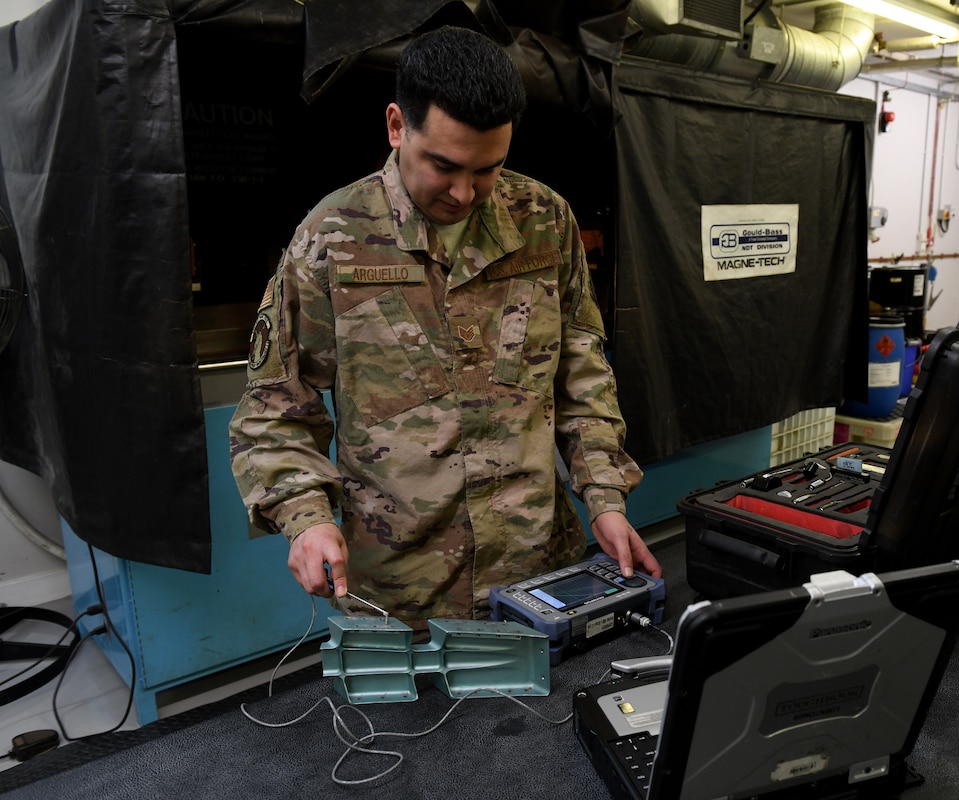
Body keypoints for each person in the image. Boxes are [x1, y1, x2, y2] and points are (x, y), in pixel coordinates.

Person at [228, 25, 660, 625]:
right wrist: (306, 519)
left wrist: (605, 498)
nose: (464, 193)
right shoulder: (333, 239)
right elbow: (274, 412)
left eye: (488, 170)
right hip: (399, 594)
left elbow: (581, 376)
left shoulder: (544, 222)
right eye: (444, 166)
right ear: (396, 126)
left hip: (537, 577)